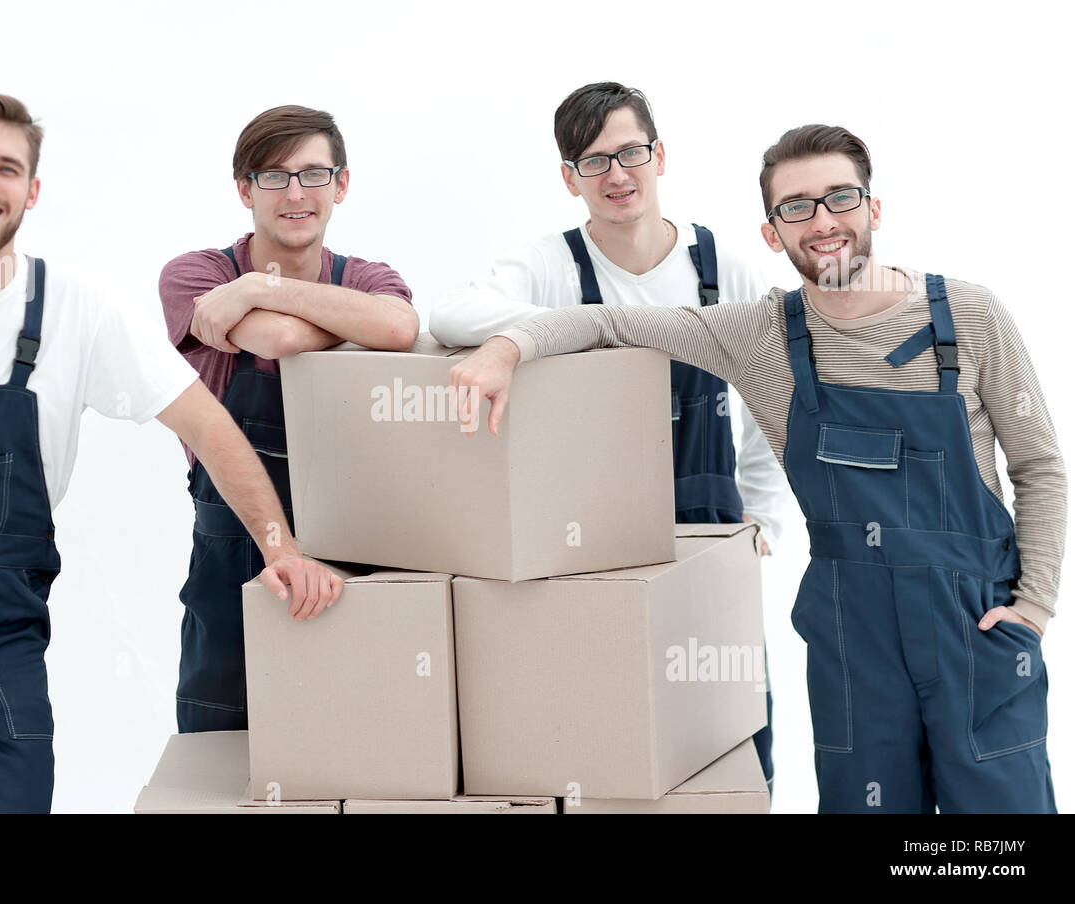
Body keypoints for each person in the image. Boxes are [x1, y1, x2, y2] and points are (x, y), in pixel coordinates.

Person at [449, 124, 1063, 814]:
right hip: (852, 630)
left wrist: (1033, 608)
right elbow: (603, 323)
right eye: (797, 206)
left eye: (841, 198)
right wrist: (507, 346)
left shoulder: (967, 316)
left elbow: (1039, 464)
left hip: (973, 622)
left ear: (874, 209)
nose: (823, 221)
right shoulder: (761, 333)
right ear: (772, 233)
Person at [0, 90, 345, 814]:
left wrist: (279, 545)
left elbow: (208, 426)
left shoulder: (75, 307)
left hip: (1, 631)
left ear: (32, 190)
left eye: (6, 168)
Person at [430, 82, 790, 793]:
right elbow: (448, 312)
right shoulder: (553, 265)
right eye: (594, 161)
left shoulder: (724, 269)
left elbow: (776, 399)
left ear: (660, 156)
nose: (617, 175)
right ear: (570, 177)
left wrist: (764, 519)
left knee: (726, 723)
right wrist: (540, 334)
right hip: (589, 538)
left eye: (630, 153)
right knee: (601, 722)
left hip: (709, 531)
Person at [159, 105, 416, 733]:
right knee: (223, 745)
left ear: (342, 184)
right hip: (232, 558)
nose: (295, 193)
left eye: (313, 174)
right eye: (274, 176)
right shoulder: (198, 275)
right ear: (245, 190)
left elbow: (398, 326)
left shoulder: (370, 276)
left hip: (352, 551)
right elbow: (275, 339)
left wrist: (259, 289)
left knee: (351, 738)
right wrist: (322, 317)